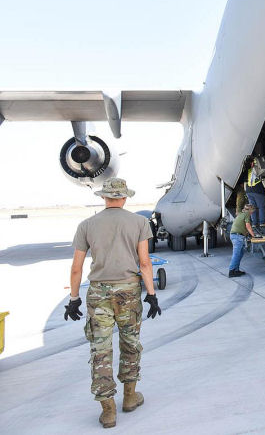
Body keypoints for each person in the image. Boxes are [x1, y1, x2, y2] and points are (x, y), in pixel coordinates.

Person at [64, 178, 162, 428]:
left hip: (98, 295)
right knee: (130, 343)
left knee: (100, 350)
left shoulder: (86, 225)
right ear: (125, 197)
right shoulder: (140, 223)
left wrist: (73, 299)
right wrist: (151, 294)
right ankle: (130, 397)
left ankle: (108, 410)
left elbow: (76, 268)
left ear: (103, 197)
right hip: (128, 292)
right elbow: (144, 263)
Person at [228, 203, 259, 277]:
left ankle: (236, 270)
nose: (252, 212)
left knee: (240, 254)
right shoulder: (246, 215)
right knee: (236, 254)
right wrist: (254, 236)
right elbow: (248, 226)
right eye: (252, 211)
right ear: (250, 210)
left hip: (236, 235)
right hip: (237, 236)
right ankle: (231, 271)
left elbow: (243, 227)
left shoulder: (241, 214)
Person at [245, 159, 265, 227]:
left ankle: (254, 223)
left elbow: (245, 182)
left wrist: (246, 192)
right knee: (261, 207)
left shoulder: (249, 171)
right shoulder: (259, 169)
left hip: (249, 191)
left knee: (252, 207)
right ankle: (262, 223)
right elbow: (263, 179)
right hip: (258, 191)